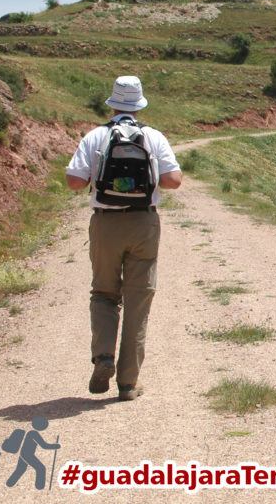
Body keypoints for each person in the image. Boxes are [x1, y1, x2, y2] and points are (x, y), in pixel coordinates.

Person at [66, 76, 182, 401]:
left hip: (105, 223)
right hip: (144, 223)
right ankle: (128, 383)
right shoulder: (153, 136)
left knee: (103, 293)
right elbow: (174, 180)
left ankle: (104, 355)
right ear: (139, 105)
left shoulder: (96, 136)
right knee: (138, 301)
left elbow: (74, 181)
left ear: (113, 103)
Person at [4, 417, 60, 490]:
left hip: (24, 453)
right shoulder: (34, 434)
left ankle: (10, 483)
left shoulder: (31, 433)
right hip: (28, 455)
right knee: (41, 468)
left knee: (21, 469)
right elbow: (44, 445)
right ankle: (40, 486)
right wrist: (55, 446)